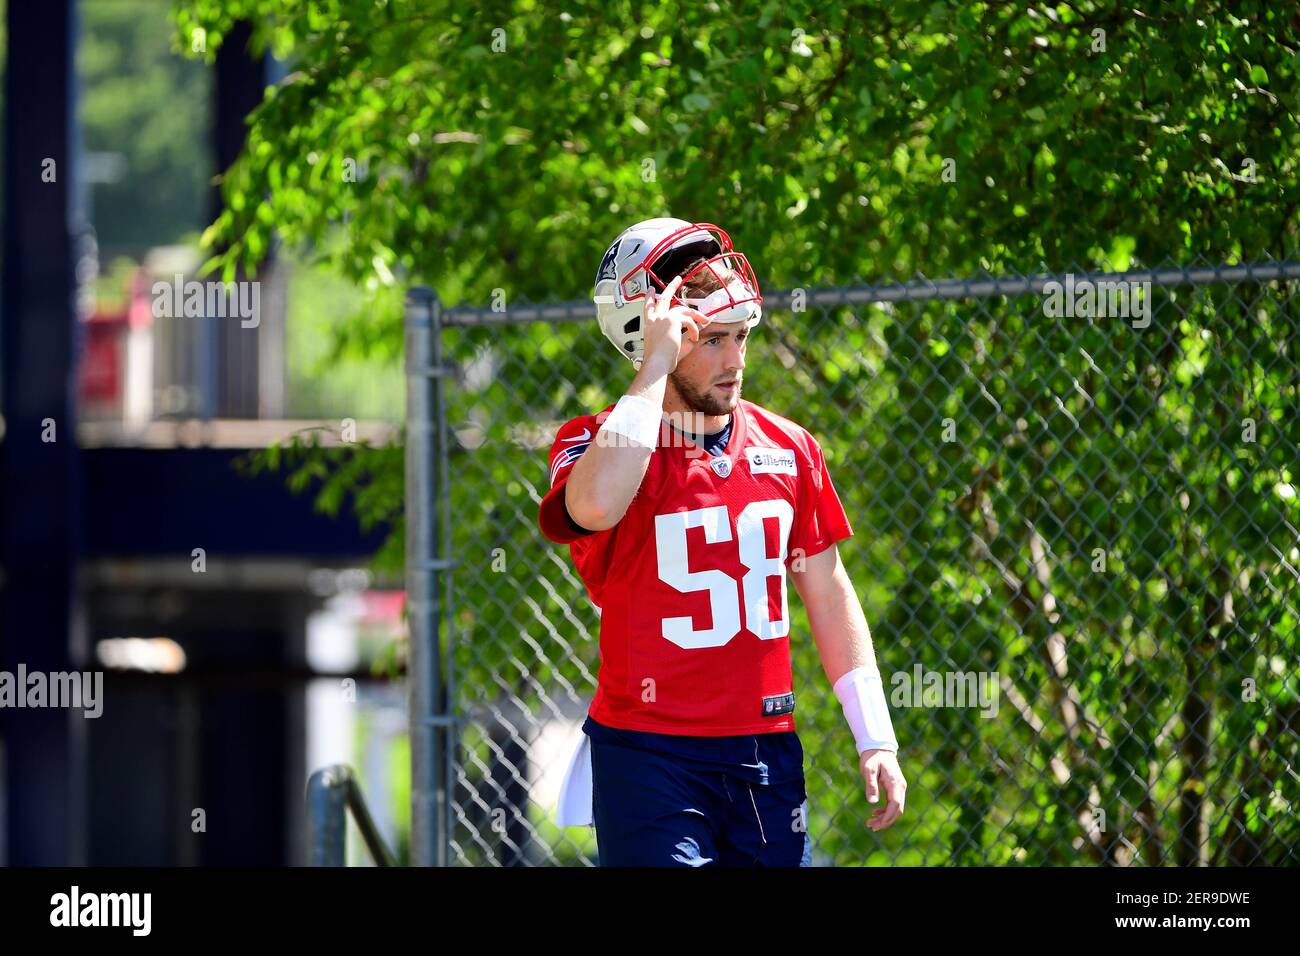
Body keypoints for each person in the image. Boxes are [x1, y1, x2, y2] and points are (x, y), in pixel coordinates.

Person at [538, 217, 906, 866]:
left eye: (741, 337)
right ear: (642, 334)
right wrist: (656, 365)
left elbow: (827, 590)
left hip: (765, 752)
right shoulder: (599, 444)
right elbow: (594, 504)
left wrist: (875, 733)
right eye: (710, 340)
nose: (736, 361)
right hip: (648, 753)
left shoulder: (789, 448)